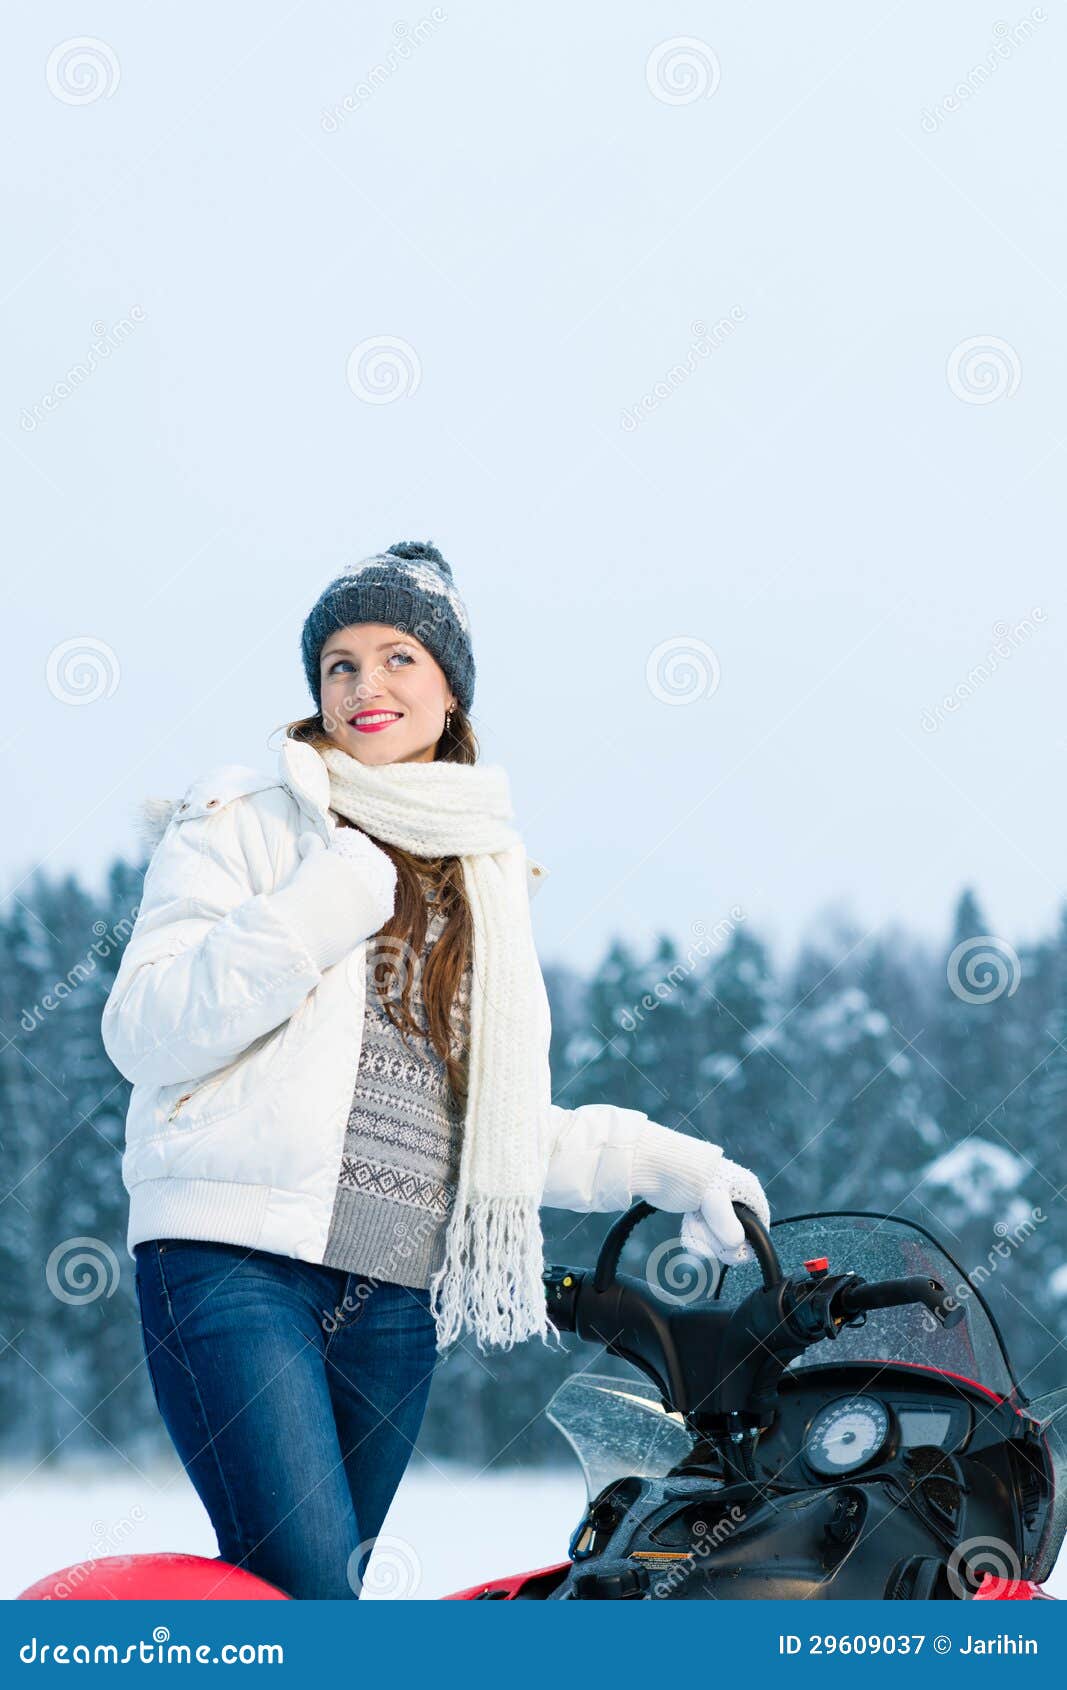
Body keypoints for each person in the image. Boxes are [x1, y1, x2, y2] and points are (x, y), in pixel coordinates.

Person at [101, 538, 771, 1599]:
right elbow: (144, 1029)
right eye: (339, 664)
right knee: (310, 1586)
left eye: (397, 656)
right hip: (233, 1264)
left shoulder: (483, 874)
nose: (365, 685)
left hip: (389, 1296)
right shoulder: (246, 822)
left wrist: (676, 1166)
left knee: (322, 1609)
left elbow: (494, 1123)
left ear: (449, 684)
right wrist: (324, 901)